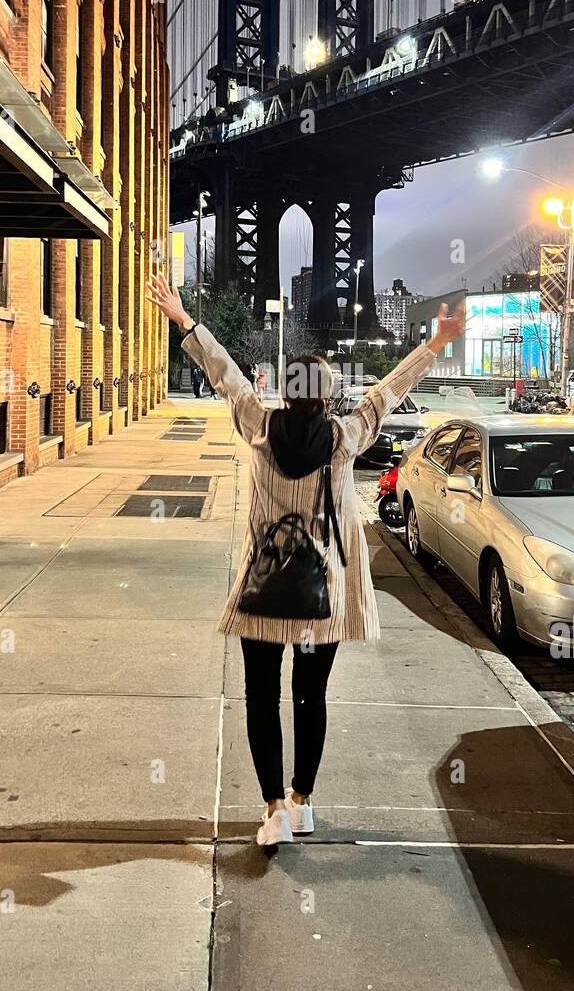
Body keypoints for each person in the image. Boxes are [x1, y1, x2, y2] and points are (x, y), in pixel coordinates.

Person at [146, 272, 465, 847]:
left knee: (261, 696)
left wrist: (184, 319)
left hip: (267, 588)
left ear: (287, 391)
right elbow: (387, 393)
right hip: (323, 593)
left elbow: (225, 374)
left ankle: (271, 811)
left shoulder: (258, 425)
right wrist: (434, 345)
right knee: (309, 697)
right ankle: (302, 802)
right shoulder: (346, 437)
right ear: (325, 393)